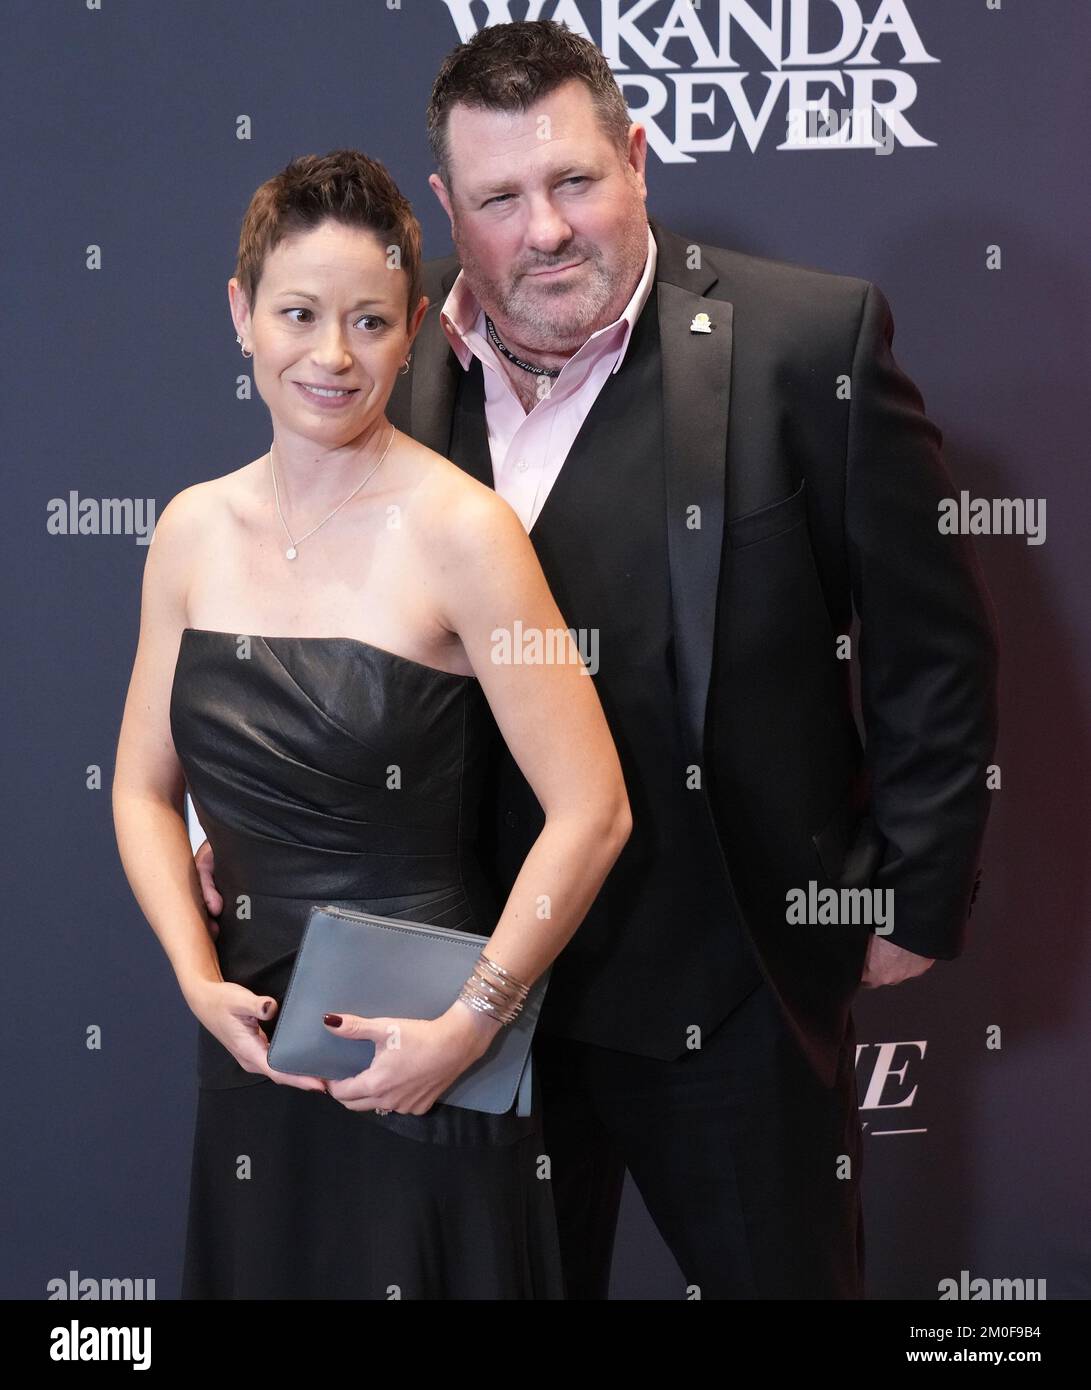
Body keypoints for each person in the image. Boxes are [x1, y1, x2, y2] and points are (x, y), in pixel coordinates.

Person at [196, 21, 1000, 1299]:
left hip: (728, 984)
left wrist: (905, 897)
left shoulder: (806, 344)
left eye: (573, 181)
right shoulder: (378, 368)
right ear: (451, 211)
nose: (546, 230)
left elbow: (929, 647)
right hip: (452, 993)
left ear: (634, 160)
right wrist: (229, 807)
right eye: (502, 200)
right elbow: (288, 597)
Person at [111, 148, 631, 1300]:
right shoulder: (190, 532)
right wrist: (197, 981)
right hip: (251, 1055)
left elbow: (592, 810)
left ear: (413, 332)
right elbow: (141, 788)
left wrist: (470, 1025)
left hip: (429, 1063)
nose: (332, 356)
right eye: (299, 313)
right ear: (242, 314)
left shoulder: (467, 532)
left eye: (369, 320)